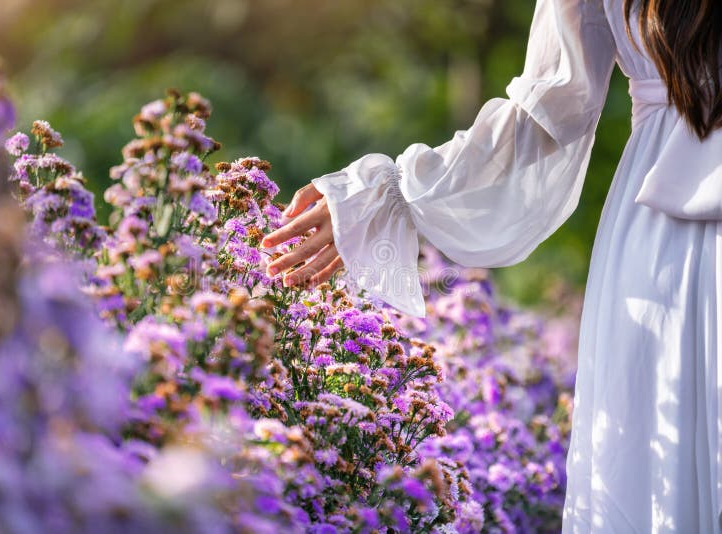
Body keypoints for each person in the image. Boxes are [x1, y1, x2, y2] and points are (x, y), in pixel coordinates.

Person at [260, 0, 722, 531]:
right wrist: (391, 197)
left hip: (661, 232)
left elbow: (547, 111)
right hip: (667, 240)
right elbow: (547, 110)